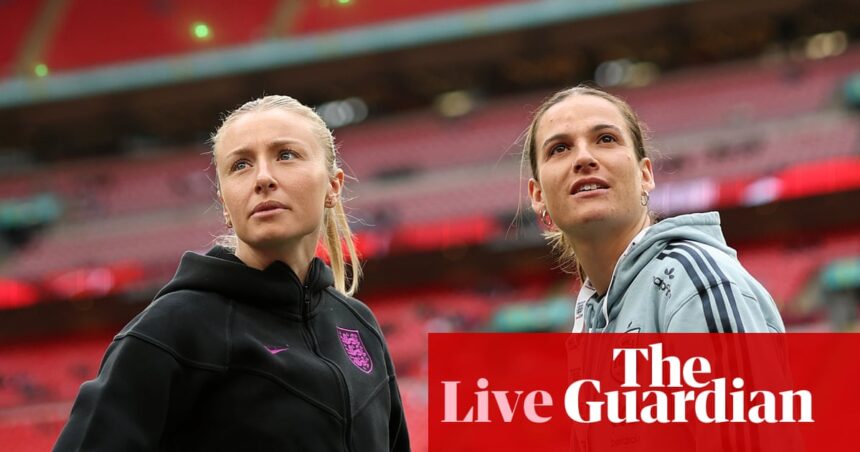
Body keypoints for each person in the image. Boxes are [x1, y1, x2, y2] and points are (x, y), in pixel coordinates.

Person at [54, 96, 411, 451]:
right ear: (225, 204)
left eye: (286, 154)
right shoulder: (171, 329)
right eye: (240, 165)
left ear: (333, 186)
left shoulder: (359, 326)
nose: (263, 178)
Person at [523, 85, 785, 333]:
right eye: (559, 148)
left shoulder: (693, 282)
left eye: (605, 138)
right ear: (538, 196)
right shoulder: (593, 319)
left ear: (645, 175)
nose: (583, 158)